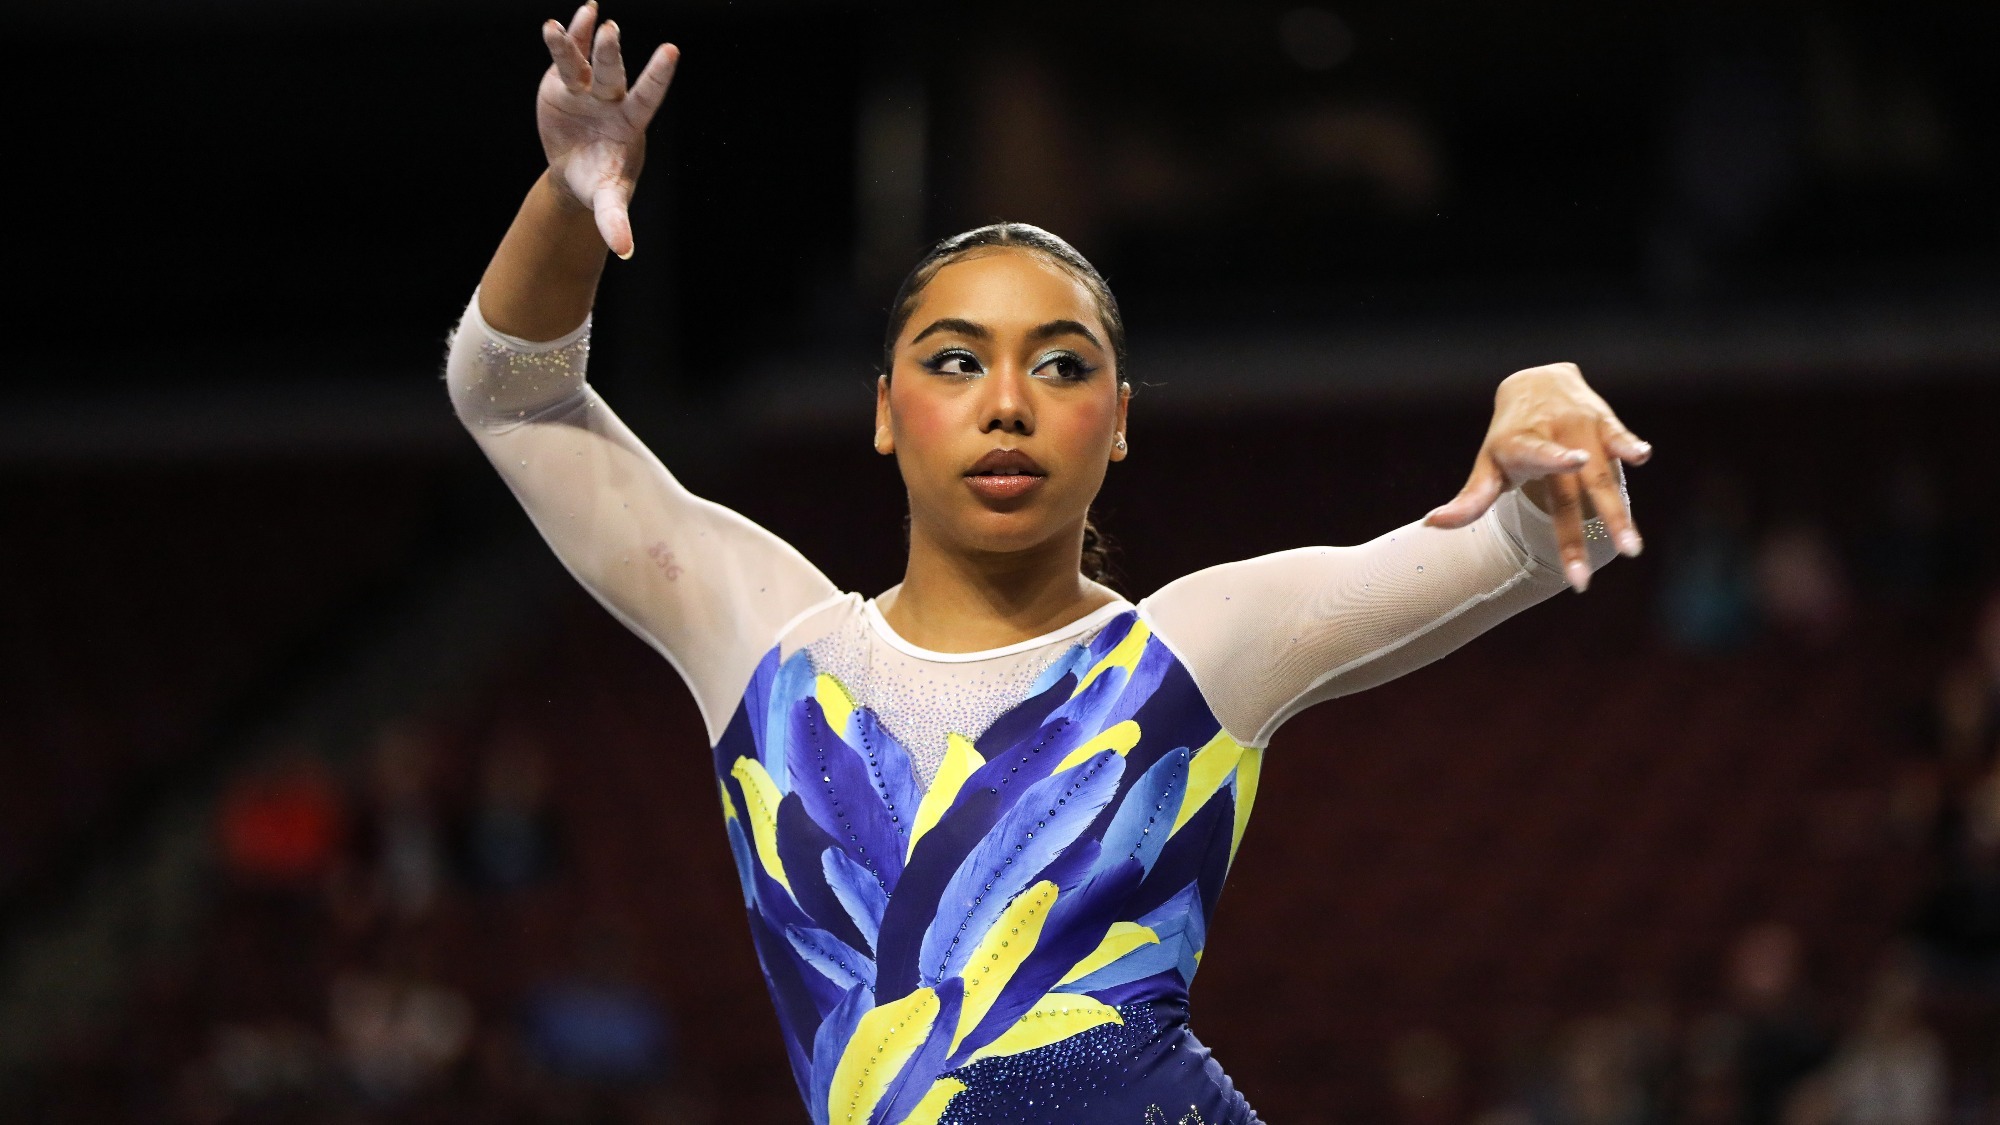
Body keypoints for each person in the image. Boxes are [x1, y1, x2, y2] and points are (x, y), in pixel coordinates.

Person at [442, 6, 1652, 1121]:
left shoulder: (1194, 651)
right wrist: (564, 200)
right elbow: (514, 396)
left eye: (1062, 365)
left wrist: (1544, 408)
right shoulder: (768, 649)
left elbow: (1560, 532)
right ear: (884, 410)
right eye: (955, 360)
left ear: (1118, 421)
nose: (1008, 403)